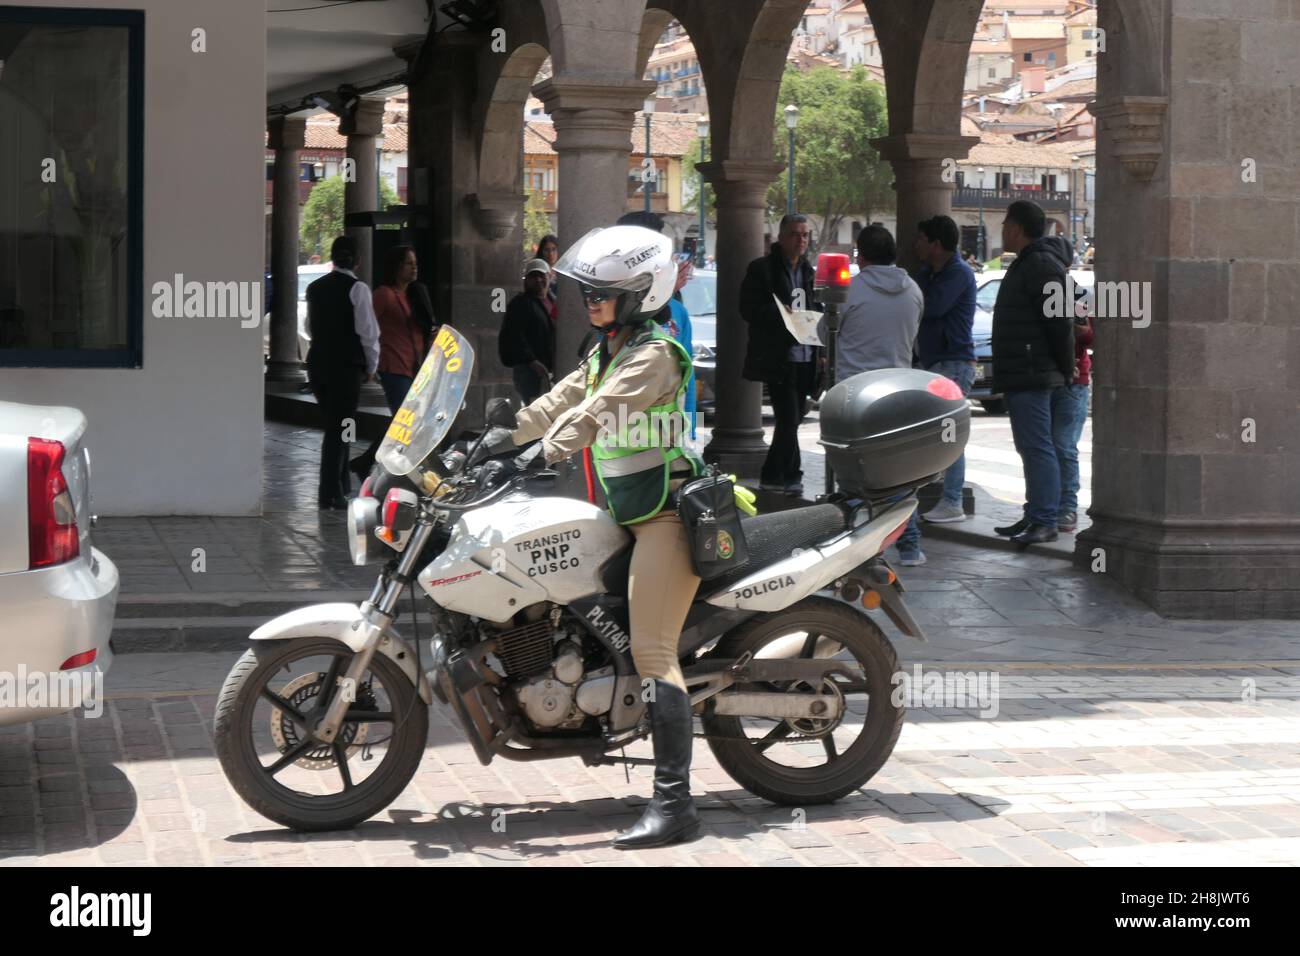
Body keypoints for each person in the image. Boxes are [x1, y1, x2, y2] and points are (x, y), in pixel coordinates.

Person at [481, 225, 702, 850]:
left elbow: (596, 414)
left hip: (664, 519)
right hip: (623, 515)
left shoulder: (656, 355)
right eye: (589, 291)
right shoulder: (609, 349)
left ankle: (675, 806)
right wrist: (493, 439)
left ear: (640, 292)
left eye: (605, 292)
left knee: (656, 655)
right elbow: (561, 399)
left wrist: (538, 457)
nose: (591, 301)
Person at [990, 200, 1075, 546]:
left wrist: (1065, 369)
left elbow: (1059, 321)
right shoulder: (1031, 262)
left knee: (1038, 447)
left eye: (1006, 224)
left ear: (1017, 228)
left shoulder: (1038, 263)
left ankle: (1044, 519)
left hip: (1032, 371)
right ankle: (1035, 513)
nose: (1002, 230)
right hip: (1028, 369)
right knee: (1033, 447)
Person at [740, 213, 822, 495]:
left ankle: (780, 475)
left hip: (805, 354)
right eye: (795, 234)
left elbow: (814, 306)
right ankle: (782, 475)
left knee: (794, 418)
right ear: (781, 237)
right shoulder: (762, 269)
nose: (801, 240)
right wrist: (779, 313)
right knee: (788, 419)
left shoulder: (809, 272)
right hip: (779, 357)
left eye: (805, 235)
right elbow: (747, 309)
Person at [913, 215, 979, 541]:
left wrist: (920, 282)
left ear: (936, 244)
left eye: (922, 240)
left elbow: (931, 306)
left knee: (950, 434)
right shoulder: (931, 273)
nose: (917, 247)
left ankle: (953, 500)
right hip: (937, 361)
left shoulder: (957, 274)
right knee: (940, 434)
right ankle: (944, 494)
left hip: (953, 363)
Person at [304, 236, 379, 509]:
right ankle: (331, 492)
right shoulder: (357, 289)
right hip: (345, 367)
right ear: (358, 260)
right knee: (341, 427)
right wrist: (372, 365)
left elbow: (310, 326)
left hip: (319, 364)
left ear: (333, 258)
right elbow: (368, 332)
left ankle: (341, 484)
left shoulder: (315, 287)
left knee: (336, 424)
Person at [350, 245, 432, 478]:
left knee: (403, 420)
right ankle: (377, 463)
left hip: (414, 366)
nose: (414, 267)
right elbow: (366, 326)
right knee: (404, 419)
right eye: (408, 263)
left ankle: (367, 461)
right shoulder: (384, 295)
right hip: (393, 365)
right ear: (396, 267)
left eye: (415, 263)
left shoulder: (414, 295)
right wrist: (370, 361)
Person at [617, 211, 697, 439]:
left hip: (669, 432)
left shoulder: (678, 311)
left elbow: (685, 376)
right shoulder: (608, 303)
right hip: (626, 431)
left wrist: (688, 430)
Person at [1053, 296, 1093, 533]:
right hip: (1046, 379)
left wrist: (1076, 326)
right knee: (1046, 447)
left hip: (1073, 381)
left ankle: (1067, 506)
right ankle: (1045, 506)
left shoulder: (1074, 299)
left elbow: (1090, 335)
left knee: (1063, 445)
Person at [498, 259, 556, 404]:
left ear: (549, 277)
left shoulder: (554, 301)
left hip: (551, 369)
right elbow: (513, 336)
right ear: (526, 280)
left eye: (542, 276)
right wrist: (532, 361)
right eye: (533, 276)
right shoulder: (520, 304)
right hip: (530, 372)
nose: (538, 280)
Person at [535, 234, 560, 318]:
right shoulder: (537, 272)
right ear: (541, 251)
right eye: (546, 250)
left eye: (554, 249)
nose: (551, 254)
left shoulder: (562, 273)